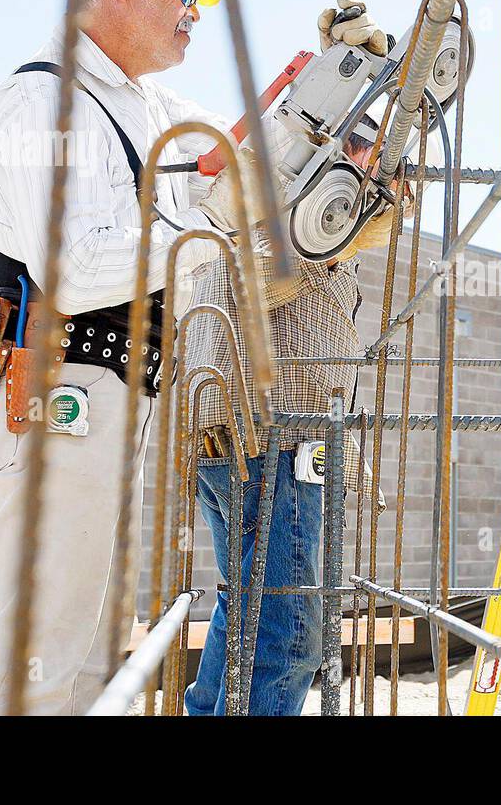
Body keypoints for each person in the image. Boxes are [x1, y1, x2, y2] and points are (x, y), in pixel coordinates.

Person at [0, 0, 385, 715]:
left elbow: (250, 149)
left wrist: (332, 79)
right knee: (25, 659)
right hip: (55, 390)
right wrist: (209, 231)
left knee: (69, 666)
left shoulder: (148, 109)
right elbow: (74, 269)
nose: (192, 11)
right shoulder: (38, 102)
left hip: (108, 400)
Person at [183, 71, 404, 714]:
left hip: (259, 447)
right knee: (291, 635)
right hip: (270, 445)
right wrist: (327, 242)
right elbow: (246, 284)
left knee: (248, 607)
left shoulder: (332, 223)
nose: (370, 162)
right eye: (361, 142)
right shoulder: (285, 212)